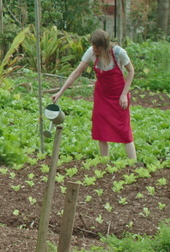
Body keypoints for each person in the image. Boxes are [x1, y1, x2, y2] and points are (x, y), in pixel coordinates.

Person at [52, 29, 137, 160]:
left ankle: (134, 163)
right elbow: (76, 73)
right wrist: (60, 92)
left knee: (123, 129)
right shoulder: (91, 52)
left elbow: (131, 71)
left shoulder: (119, 53)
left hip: (118, 95)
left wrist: (124, 94)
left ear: (104, 46)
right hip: (102, 95)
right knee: (101, 128)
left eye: (96, 47)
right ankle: (105, 162)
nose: (94, 49)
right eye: (93, 46)